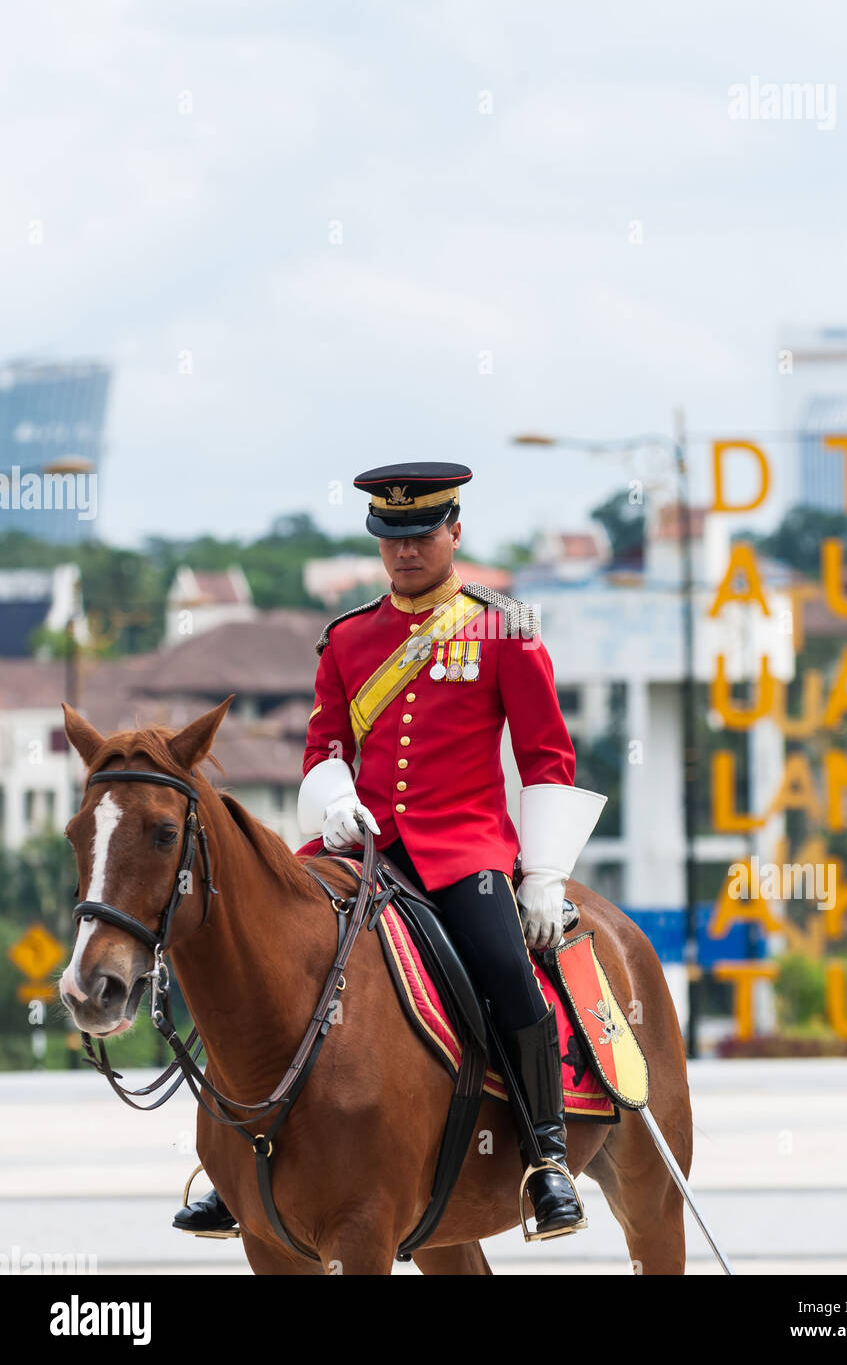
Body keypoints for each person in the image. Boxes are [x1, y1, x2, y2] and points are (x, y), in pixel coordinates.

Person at [175, 461, 605, 1241]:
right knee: (258, 958)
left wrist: (544, 874)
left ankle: (544, 1157)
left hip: (462, 850)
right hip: (361, 847)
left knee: (508, 973)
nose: (404, 551)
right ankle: (232, 1163)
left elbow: (546, 756)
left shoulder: (503, 629)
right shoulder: (348, 638)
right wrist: (336, 796)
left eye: (421, 535)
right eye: (390, 537)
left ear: (454, 532)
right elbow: (323, 746)